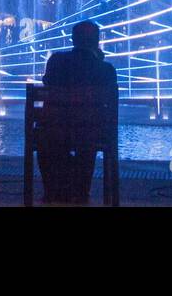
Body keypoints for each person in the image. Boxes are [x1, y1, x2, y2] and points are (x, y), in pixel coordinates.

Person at [37, 21, 119, 203]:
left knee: (50, 136)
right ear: (97, 41)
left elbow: (47, 82)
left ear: (73, 40)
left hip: (54, 131)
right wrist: (100, 60)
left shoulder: (56, 61)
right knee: (86, 138)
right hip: (90, 133)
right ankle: (81, 190)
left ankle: (53, 190)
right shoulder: (106, 69)